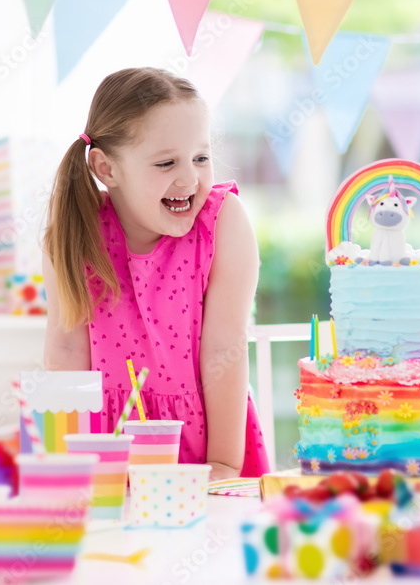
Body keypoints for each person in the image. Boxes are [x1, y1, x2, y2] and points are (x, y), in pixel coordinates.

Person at [42, 67, 270, 480]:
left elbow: (225, 349)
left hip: (207, 445)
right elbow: (66, 352)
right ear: (107, 168)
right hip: (102, 448)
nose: (189, 178)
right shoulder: (75, 231)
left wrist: (223, 463)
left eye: (201, 158)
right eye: (166, 163)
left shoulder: (222, 224)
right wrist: (66, 464)